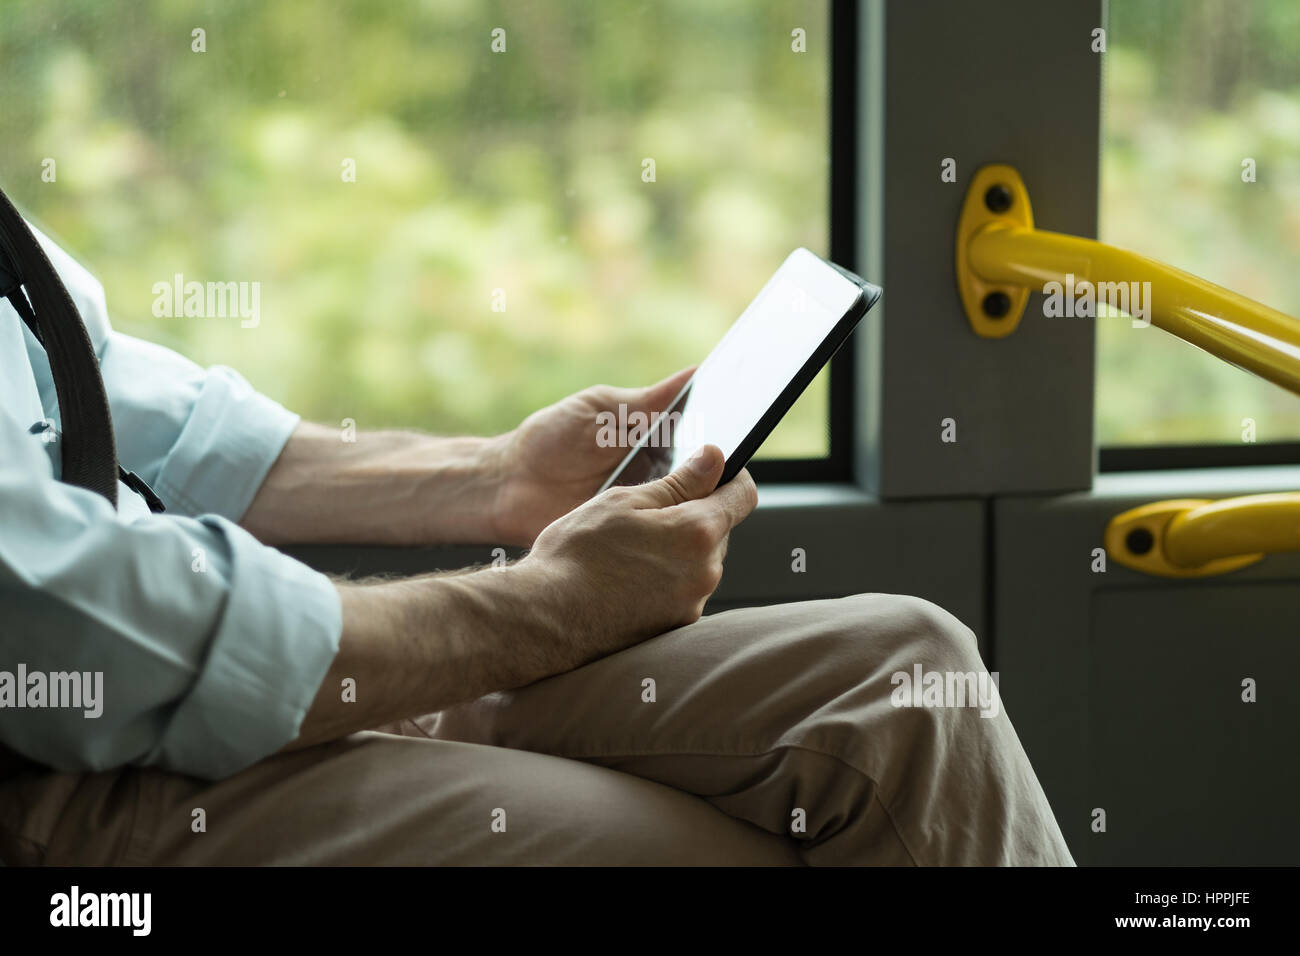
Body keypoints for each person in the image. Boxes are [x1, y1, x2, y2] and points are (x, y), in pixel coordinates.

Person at [0, 226, 1073, 866]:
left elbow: (133, 414)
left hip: (211, 657)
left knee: (909, 672)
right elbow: (74, 631)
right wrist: (547, 604)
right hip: (64, 758)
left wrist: (497, 477)